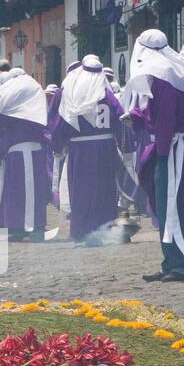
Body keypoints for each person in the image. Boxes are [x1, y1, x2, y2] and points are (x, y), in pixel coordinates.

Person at [128, 29, 184, 281]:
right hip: (169, 146)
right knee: (165, 204)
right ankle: (170, 261)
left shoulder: (163, 75)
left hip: (171, 149)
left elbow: (166, 116)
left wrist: (161, 151)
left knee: (172, 205)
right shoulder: (167, 71)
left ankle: (181, 265)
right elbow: (154, 110)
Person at [49, 54, 126, 242]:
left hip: (80, 150)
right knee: (105, 189)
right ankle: (106, 228)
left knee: (81, 190)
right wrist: (126, 146)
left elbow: (60, 123)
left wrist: (58, 145)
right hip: (105, 148)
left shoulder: (72, 96)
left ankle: (82, 230)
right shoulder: (107, 95)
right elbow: (121, 119)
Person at [0, 70, 51, 241]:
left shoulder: (10, 115)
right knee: (34, 191)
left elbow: (2, 133)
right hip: (35, 154)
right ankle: (36, 226)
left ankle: (18, 227)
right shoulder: (35, 111)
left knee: (16, 192)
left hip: (16, 155)